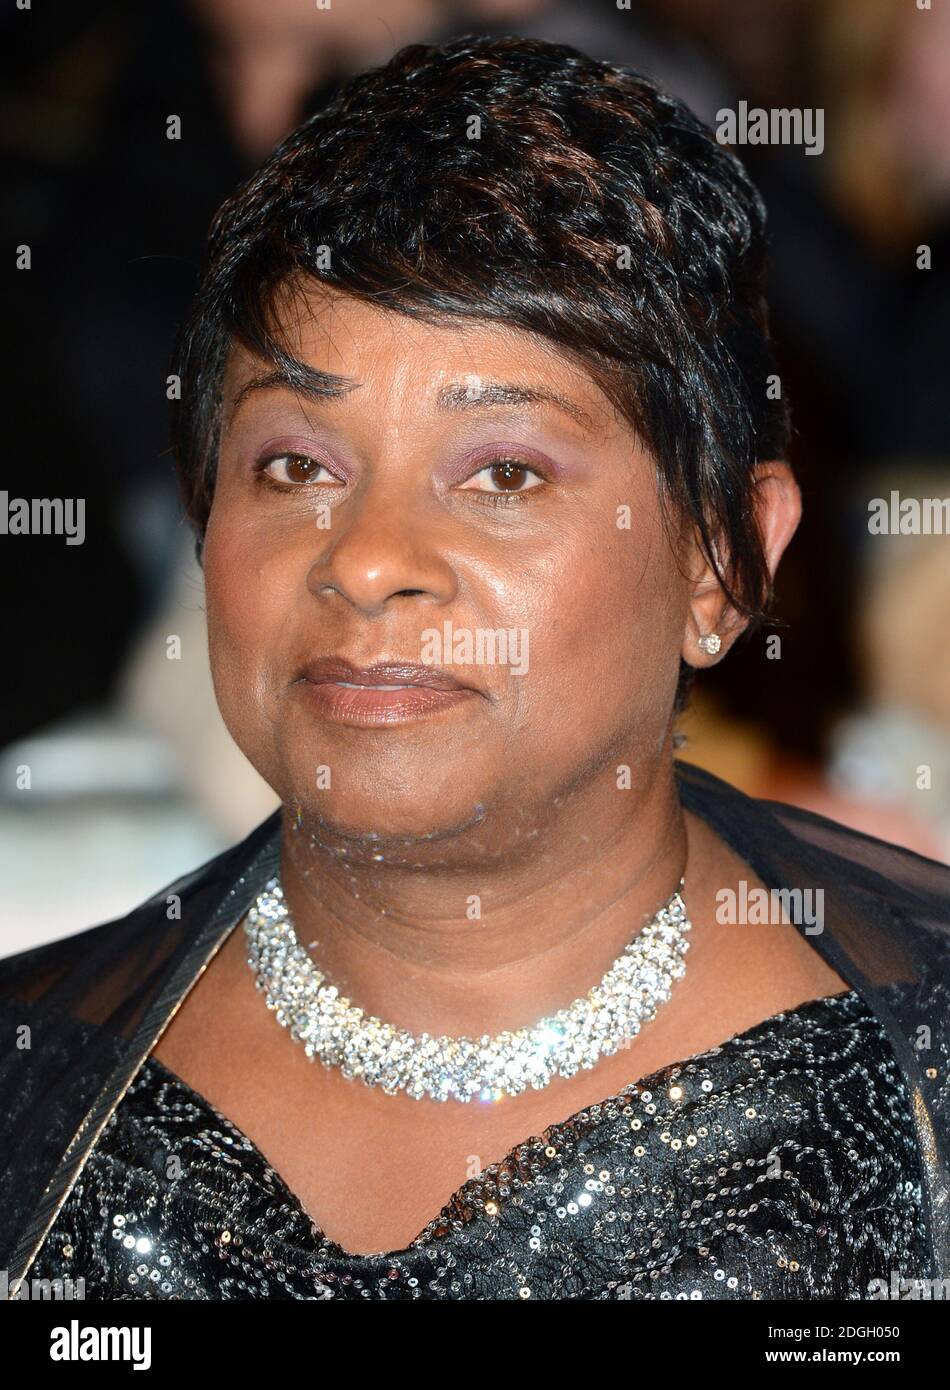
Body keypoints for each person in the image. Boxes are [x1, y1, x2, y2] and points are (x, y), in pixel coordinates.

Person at [1, 34, 947, 1302]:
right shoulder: (33, 1101)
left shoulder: (918, 1101)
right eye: (296, 468)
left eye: (503, 473)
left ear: (721, 561)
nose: (369, 560)